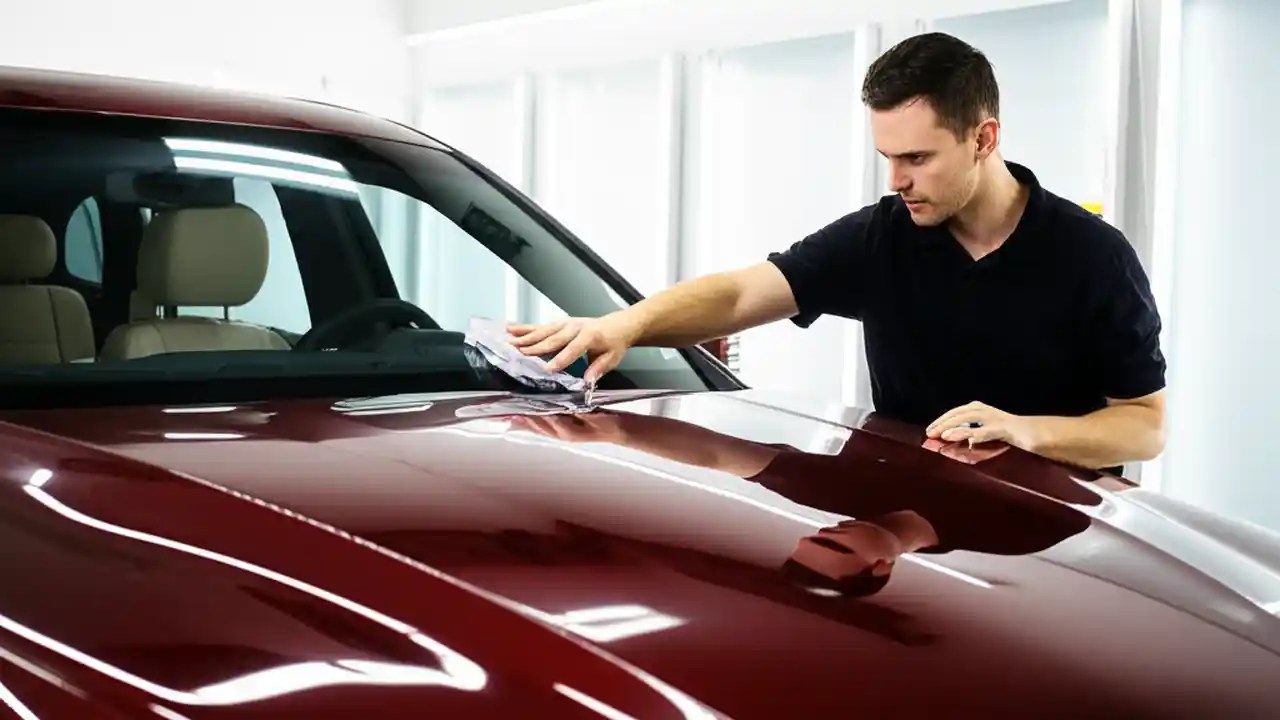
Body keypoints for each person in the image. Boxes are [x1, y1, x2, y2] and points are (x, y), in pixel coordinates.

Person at [508, 32, 1167, 472]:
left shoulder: (1093, 258)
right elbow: (743, 293)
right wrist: (627, 325)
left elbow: (1143, 426)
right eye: (887, 158)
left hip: (1055, 554)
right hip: (914, 535)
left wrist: (1026, 431)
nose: (897, 180)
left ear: (984, 138)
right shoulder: (882, 237)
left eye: (917, 158)